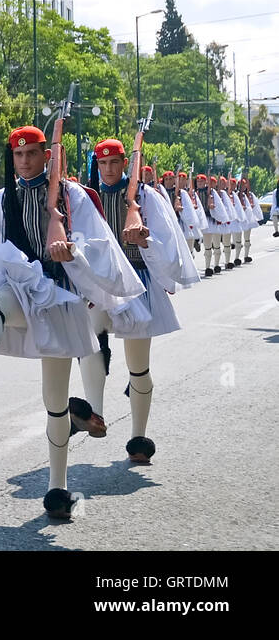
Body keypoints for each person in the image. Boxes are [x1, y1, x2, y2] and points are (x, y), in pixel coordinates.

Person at [0, 125, 145, 520]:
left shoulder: (73, 196)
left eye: (32, 154)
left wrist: (71, 251)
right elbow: (2, 252)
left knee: (54, 402)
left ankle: (58, 488)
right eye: (18, 155)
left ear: (46, 155)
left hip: (61, 299)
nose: (24, 162)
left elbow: (99, 243)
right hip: (20, 288)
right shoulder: (3, 198)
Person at [79, 139, 197, 467]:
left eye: (115, 163)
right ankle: (95, 414)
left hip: (137, 284)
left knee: (138, 367)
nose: (108, 170)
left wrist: (144, 239)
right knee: (89, 341)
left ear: (125, 164)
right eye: (102, 164)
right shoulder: (86, 197)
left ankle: (138, 437)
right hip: (102, 286)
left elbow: (168, 244)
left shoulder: (146, 197)